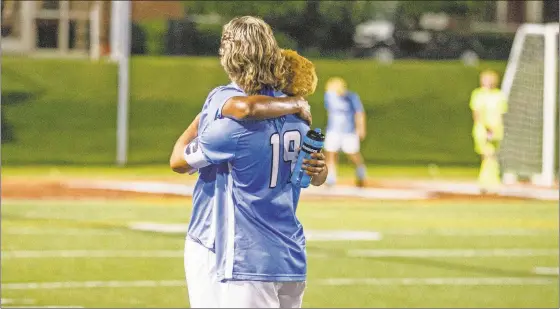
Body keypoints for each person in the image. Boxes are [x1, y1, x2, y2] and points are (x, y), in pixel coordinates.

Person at [169, 16, 320, 308]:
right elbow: (312, 173)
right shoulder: (299, 120)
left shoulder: (229, 118)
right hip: (290, 254)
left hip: (243, 254)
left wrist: (202, 120)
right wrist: (296, 103)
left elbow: (178, 160)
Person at [323, 77, 367, 187]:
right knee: (331, 152)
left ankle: (360, 171)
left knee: (352, 153)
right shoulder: (329, 97)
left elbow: (359, 113)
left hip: (349, 131)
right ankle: (331, 177)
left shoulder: (352, 97)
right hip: (333, 130)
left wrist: (360, 128)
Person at [469, 69, 508, 193]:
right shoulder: (478, 94)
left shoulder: (499, 95)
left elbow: (502, 114)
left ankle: (488, 182)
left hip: (496, 130)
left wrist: (497, 129)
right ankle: (489, 182)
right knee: (488, 155)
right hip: (483, 130)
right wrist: (486, 128)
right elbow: (477, 113)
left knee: (492, 156)